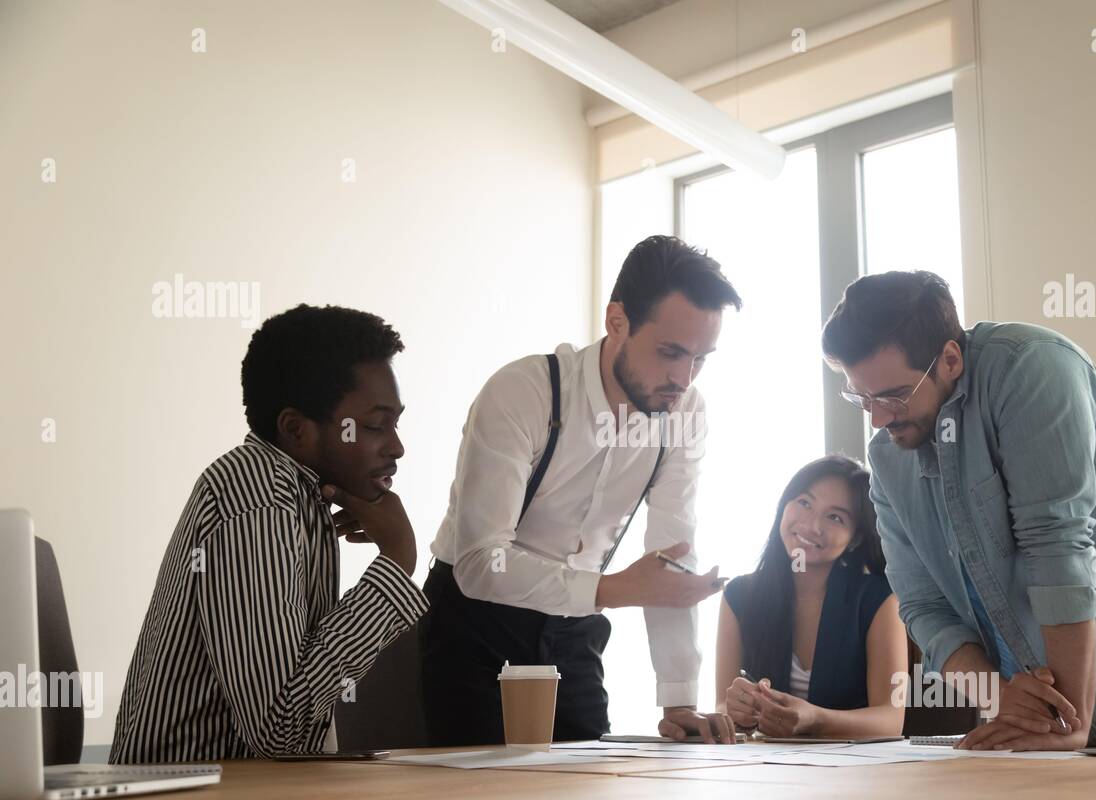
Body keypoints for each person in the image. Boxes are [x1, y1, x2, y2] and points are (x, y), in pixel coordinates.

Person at [821, 271, 1096, 751]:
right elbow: (924, 607)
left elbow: (1056, 543)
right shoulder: (888, 459)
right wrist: (1001, 696)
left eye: (893, 396)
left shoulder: (1032, 369)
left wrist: (1067, 719)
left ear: (949, 359)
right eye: (861, 398)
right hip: (1056, 733)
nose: (878, 418)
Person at [420, 236, 741, 746]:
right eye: (670, 352)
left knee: (584, 798)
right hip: (472, 626)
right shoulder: (524, 392)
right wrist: (612, 590)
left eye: (701, 358)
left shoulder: (686, 412)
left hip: (575, 633)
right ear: (617, 321)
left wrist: (678, 699)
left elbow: (671, 563)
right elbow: (481, 562)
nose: (683, 377)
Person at [110, 305, 426, 762]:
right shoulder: (259, 499)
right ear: (296, 429)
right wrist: (397, 562)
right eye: (375, 426)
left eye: (395, 424)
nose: (396, 447)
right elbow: (282, 733)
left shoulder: (302, 497)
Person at [717, 456, 907, 738]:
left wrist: (815, 719)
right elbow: (722, 705)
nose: (811, 525)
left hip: (856, 773)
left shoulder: (878, 599)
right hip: (765, 771)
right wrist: (737, 712)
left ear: (855, 538)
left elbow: (891, 719)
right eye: (804, 503)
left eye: (835, 517)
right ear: (784, 505)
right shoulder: (739, 596)